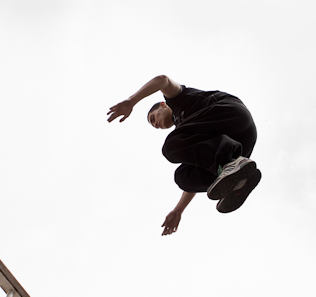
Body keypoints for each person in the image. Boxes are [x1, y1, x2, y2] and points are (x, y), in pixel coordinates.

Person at [107, 75, 261, 235]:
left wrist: (131, 101)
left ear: (163, 105)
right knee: (183, 177)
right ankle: (238, 181)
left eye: (153, 118)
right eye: (153, 125)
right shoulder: (192, 138)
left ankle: (229, 164)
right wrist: (178, 210)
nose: (155, 124)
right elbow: (200, 161)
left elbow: (162, 80)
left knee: (171, 146)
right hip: (243, 143)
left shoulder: (177, 99)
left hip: (232, 114)